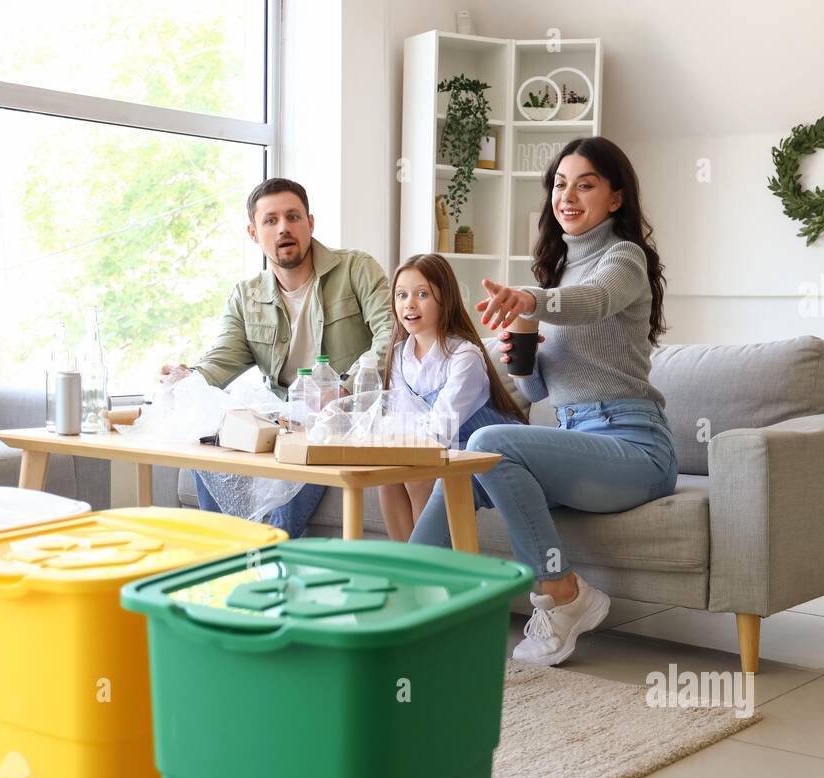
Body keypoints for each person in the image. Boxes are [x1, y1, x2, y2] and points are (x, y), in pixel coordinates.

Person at [409, 137, 678, 667]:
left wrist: (531, 301)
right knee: (465, 466)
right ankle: (406, 597)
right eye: (559, 184)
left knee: (486, 441)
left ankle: (562, 592)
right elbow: (535, 392)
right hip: (578, 439)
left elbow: (594, 300)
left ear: (615, 198)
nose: (568, 196)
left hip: (635, 447)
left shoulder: (624, 259)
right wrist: (523, 356)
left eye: (585, 184)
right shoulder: (555, 275)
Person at [161, 177, 395, 537]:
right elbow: (220, 361)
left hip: (345, 420)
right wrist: (185, 376)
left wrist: (346, 390)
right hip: (285, 416)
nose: (284, 228)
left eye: (293, 217)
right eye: (271, 221)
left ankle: (271, 548)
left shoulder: (356, 269)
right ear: (254, 233)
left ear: (310, 223)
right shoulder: (246, 296)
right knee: (205, 439)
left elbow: (391, 333)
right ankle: (222, 549)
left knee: (304, 453)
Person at [377, 254, 526, 542]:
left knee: (418, 475)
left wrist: (403, 446)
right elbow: (398, 422)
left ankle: (428, 574)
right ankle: (406, 572)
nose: (409, 304)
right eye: (401, 295)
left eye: (422, 294)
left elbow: (437, 432)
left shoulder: (464, 357)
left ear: (445, 299)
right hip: (440, 450)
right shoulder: (398, 355)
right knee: (387, 479)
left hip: (482, 455)